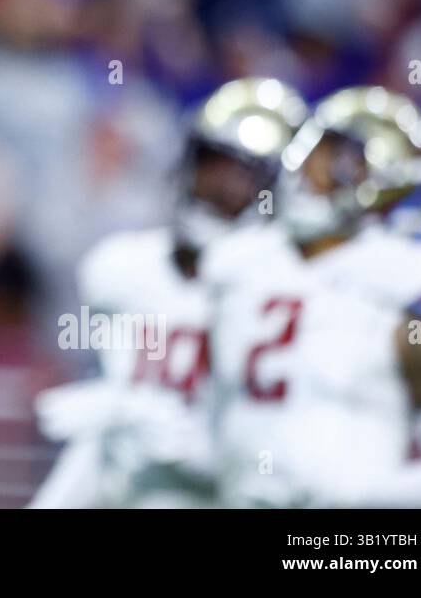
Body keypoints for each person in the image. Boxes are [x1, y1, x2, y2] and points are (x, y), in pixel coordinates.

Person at [31, 77, 305, 507]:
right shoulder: (124, 270)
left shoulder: (289, 295)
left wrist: (176, 436)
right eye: (211, 164)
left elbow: (285, 463)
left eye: (242, 176)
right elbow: (105, 447)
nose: (218, 187)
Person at [206, 86, 421, 507]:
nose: (313, 170)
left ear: (387, 176)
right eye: (314, 151)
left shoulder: (407, 293)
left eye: (339, 159)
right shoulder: (238, 264)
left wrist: (365, 497)